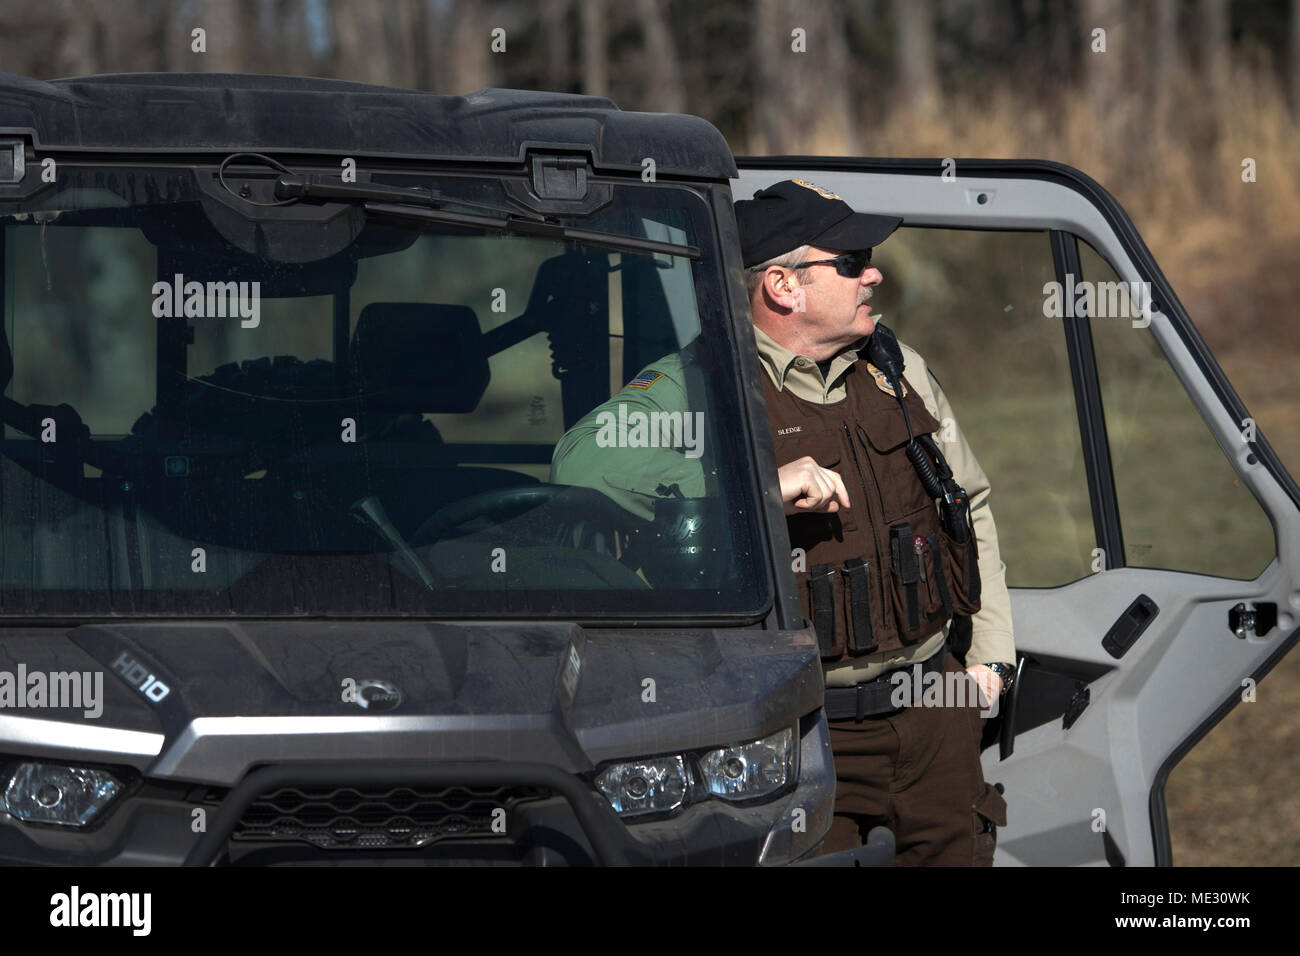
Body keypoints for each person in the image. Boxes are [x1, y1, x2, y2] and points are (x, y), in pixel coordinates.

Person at [552, 179, 1015, 865]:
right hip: (800, 733)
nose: (875, 273)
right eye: (852, 260)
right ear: (783, 286)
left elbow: (968, 502)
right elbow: (575, 465)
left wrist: (990, 661)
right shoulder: (699, 387)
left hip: (934, 714)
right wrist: (759, 489)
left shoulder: (895, 366)